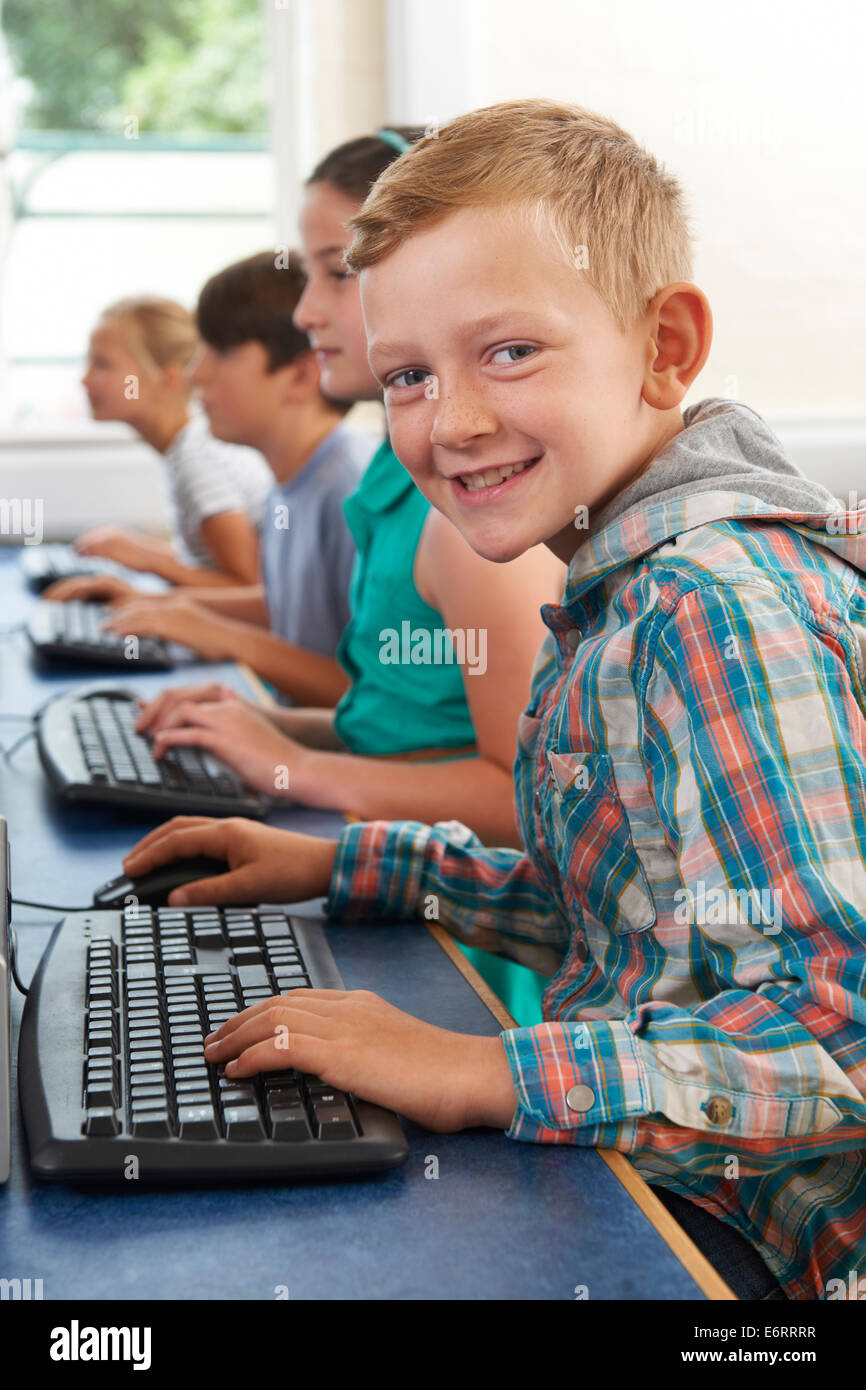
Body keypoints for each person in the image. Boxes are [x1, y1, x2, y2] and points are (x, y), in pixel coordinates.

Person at [122, 100, 866, 1301]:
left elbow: (839, 1040)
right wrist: (344, 865)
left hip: (771, 1260)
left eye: (507, 351)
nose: (452, 420)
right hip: (681, 1190)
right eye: (409, 373)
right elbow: (637, 922)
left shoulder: (709, 606)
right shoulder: (616, 587)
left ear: (664, 347)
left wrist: (482, 1069)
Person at [129, 130, 565, 859]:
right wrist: (267, 725)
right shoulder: (393, 477)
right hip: (387, 869)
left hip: (464, 942)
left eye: (336, 273)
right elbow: (404, 731)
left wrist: (298, 767)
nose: (303, 314)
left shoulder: (472, 506)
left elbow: (519, 799)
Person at [56, 253, 371, 707]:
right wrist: (172, 610)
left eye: (220, 352)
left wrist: (224, 636)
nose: (194, 373)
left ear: (301, 374)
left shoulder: (349, 491)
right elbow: (285, 608)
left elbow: (367, 696)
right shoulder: (294, 480)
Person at [48, 296, 272, 588]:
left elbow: (249, 590)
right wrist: (140, 550)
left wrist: (148, 559)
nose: (85, 380)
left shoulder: (198, 461)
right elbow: (206, 564)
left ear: (166, 380)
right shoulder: (185, 449)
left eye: (102, 364)